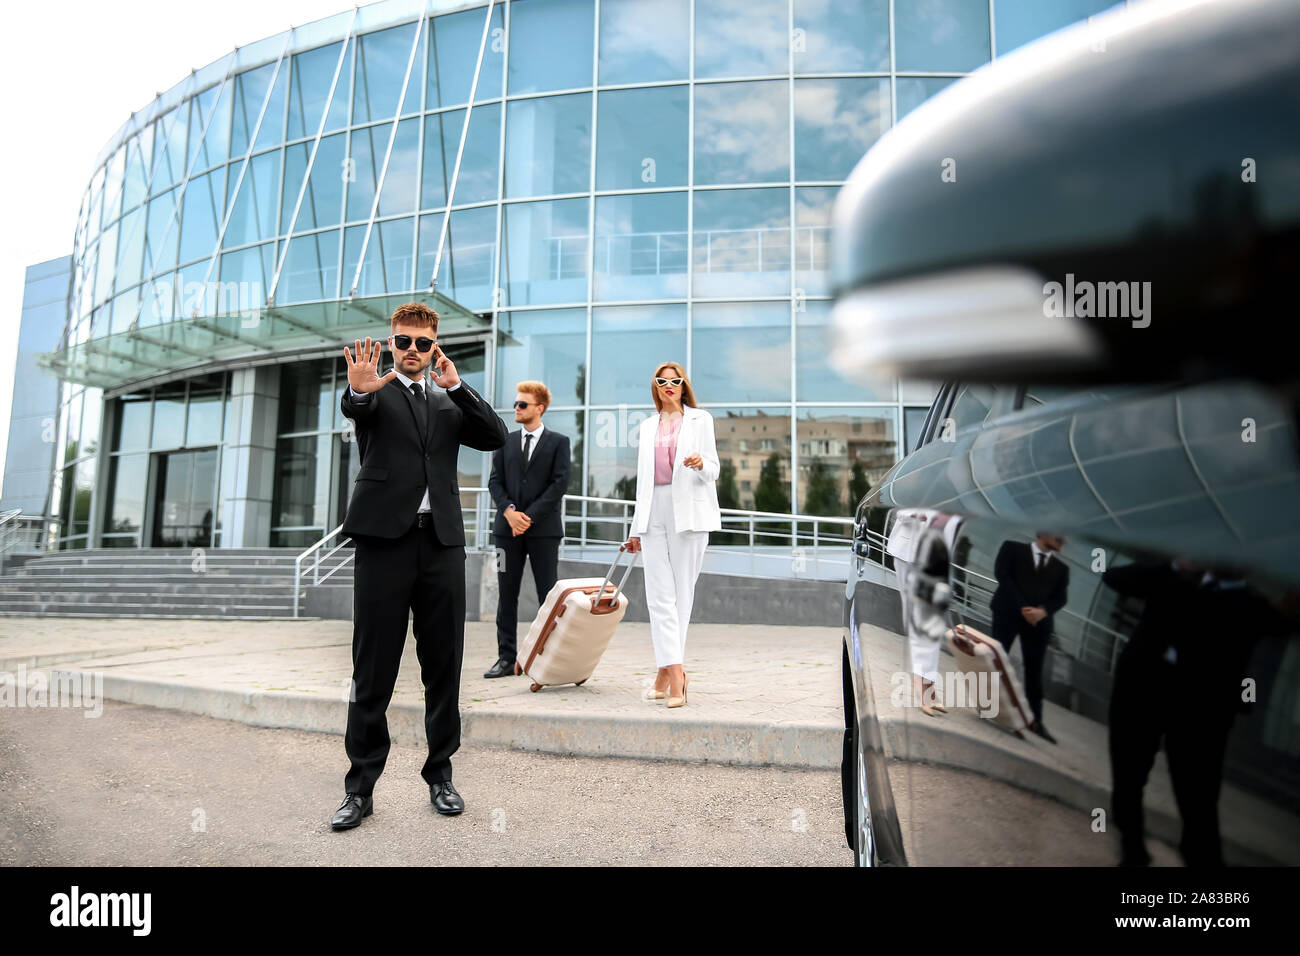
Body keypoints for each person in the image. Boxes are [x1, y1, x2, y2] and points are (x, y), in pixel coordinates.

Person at [329, 302, 507, 830]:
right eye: (401, 342)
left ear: (435, 347)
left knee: (444, 665)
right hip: (384, 543)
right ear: (390, 344)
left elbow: (495, 436)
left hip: (442, 545)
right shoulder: (375, 393)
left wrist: (458, 386)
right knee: (373, 669)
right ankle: (360, 789)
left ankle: (441, 775)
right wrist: (360, 389)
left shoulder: (450, 401)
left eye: (421, 344)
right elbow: (354, 407)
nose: (411, 351)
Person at [623, 362, 721, 708]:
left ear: (683, 385)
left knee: (681, 595)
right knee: (658, 597)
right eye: (661, 381)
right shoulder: (648, 426)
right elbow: (642, 482)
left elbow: (714, 467)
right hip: (654, 512)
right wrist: (636, 529)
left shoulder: (700, 420)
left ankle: (669, 672)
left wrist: (700, 463)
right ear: (656, 386)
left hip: (689, 510)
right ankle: (674, 671)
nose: (668, 385)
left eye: (675, 381)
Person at [484, 381, 571, 678]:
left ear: (539, 408)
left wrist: (528, 517)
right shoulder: (504, 440)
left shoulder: (559, 442)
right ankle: (506, 658)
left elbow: (559, 484)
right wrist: (510, 513)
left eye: (522, 404)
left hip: (544, 533)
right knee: (506, 594)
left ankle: (547, 658)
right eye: (516, 403)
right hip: (505, 533)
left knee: (548, 595)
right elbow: (494, 481)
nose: (516, 409)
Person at [990, 532, 1069, 743]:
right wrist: (1024, 608)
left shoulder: (1062, 569)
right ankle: (988, 704)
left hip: (1039, 625)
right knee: (996, 658)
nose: (1064, 539)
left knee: (1034, 672)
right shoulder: (1012, 548)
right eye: (1059, 533)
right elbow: (1002, 575)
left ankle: (1035, 722)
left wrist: (1041, 612)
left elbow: (1060, 598)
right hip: (1008, 613)